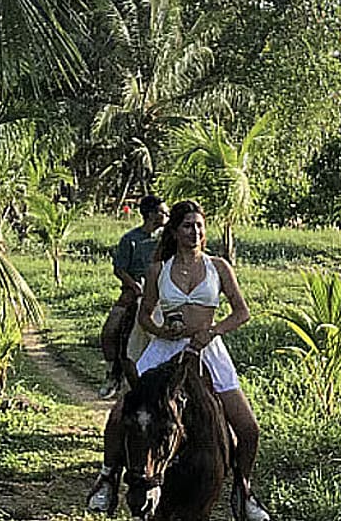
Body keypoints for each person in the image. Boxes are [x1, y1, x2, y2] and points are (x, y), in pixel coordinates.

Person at [86, 200, 270, 521]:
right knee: (121, 414)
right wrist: (161, 331)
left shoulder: (219, 267)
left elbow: (242, 313)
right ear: (175, 230)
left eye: (199, 225)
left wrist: (211, 331)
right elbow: (145, 315)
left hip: (207, 350)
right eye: (187, 225)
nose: (194, 231)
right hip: (164, 350)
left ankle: (243, 490)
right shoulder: (159, 269)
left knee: (248, 427)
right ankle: (107, 477)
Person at [98, 194, 167, 399]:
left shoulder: (166, 240)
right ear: (151, 214)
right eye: (163, 212)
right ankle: (113, 373)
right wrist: (134, 286)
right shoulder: (131, 239)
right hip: (133, 292)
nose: (166, 216)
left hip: (161, 294)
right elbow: (119, 269)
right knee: (110, 331)